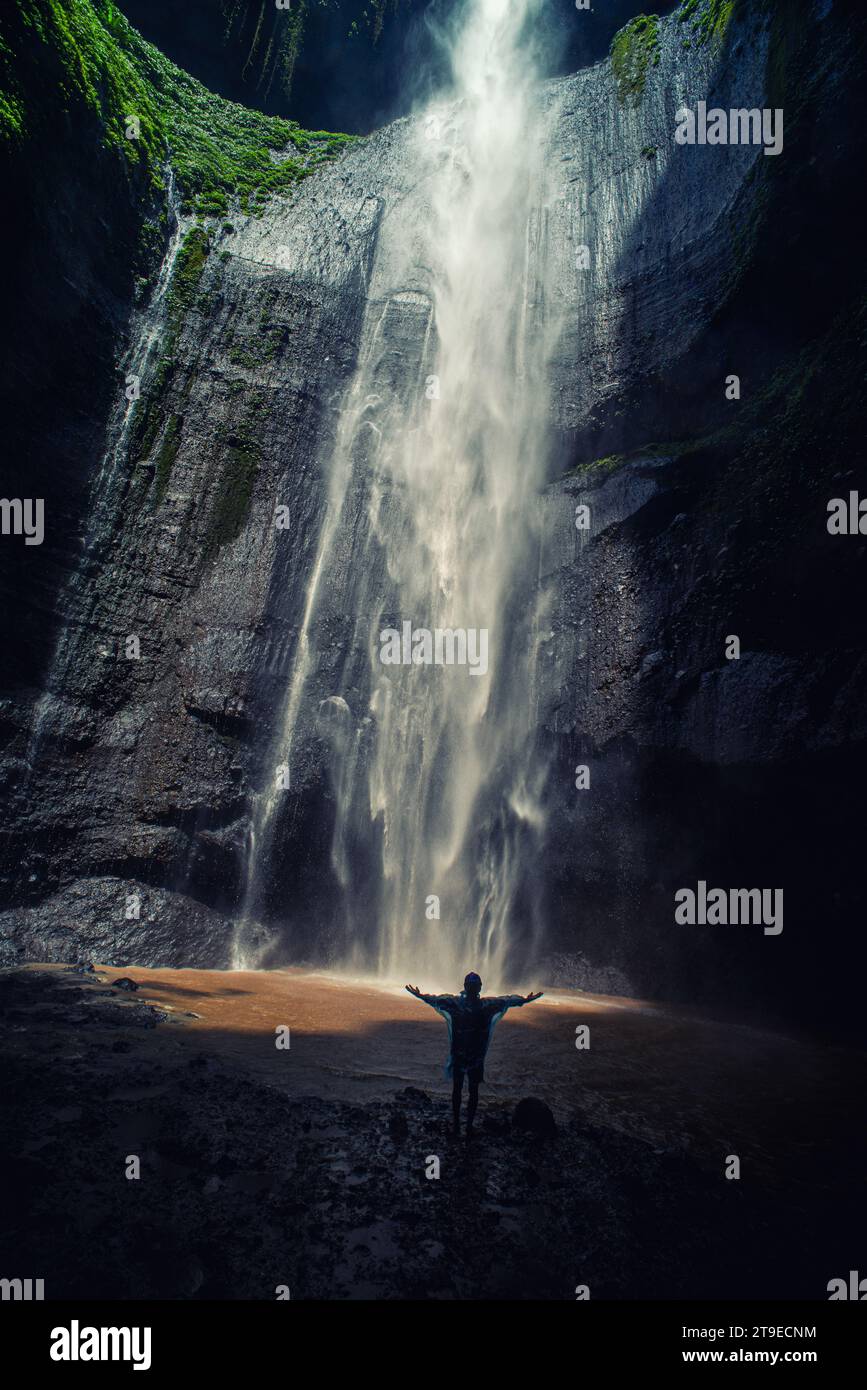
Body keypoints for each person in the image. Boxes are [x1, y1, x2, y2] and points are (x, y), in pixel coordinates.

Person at [405, 972, 543, 1138]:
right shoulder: (485, 1005)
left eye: (472, 985)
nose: (472, 988)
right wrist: (524, 1000)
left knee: (459, 1089)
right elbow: (506, 1001)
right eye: (473, 985)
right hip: (475, 1058)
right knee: (472, 1090)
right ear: (479, 988)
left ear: (467, 987)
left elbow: (434, 1000)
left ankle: (457, 1124)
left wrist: (420, 995)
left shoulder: (456, 1003)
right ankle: (467, 1125)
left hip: (461, 1055)